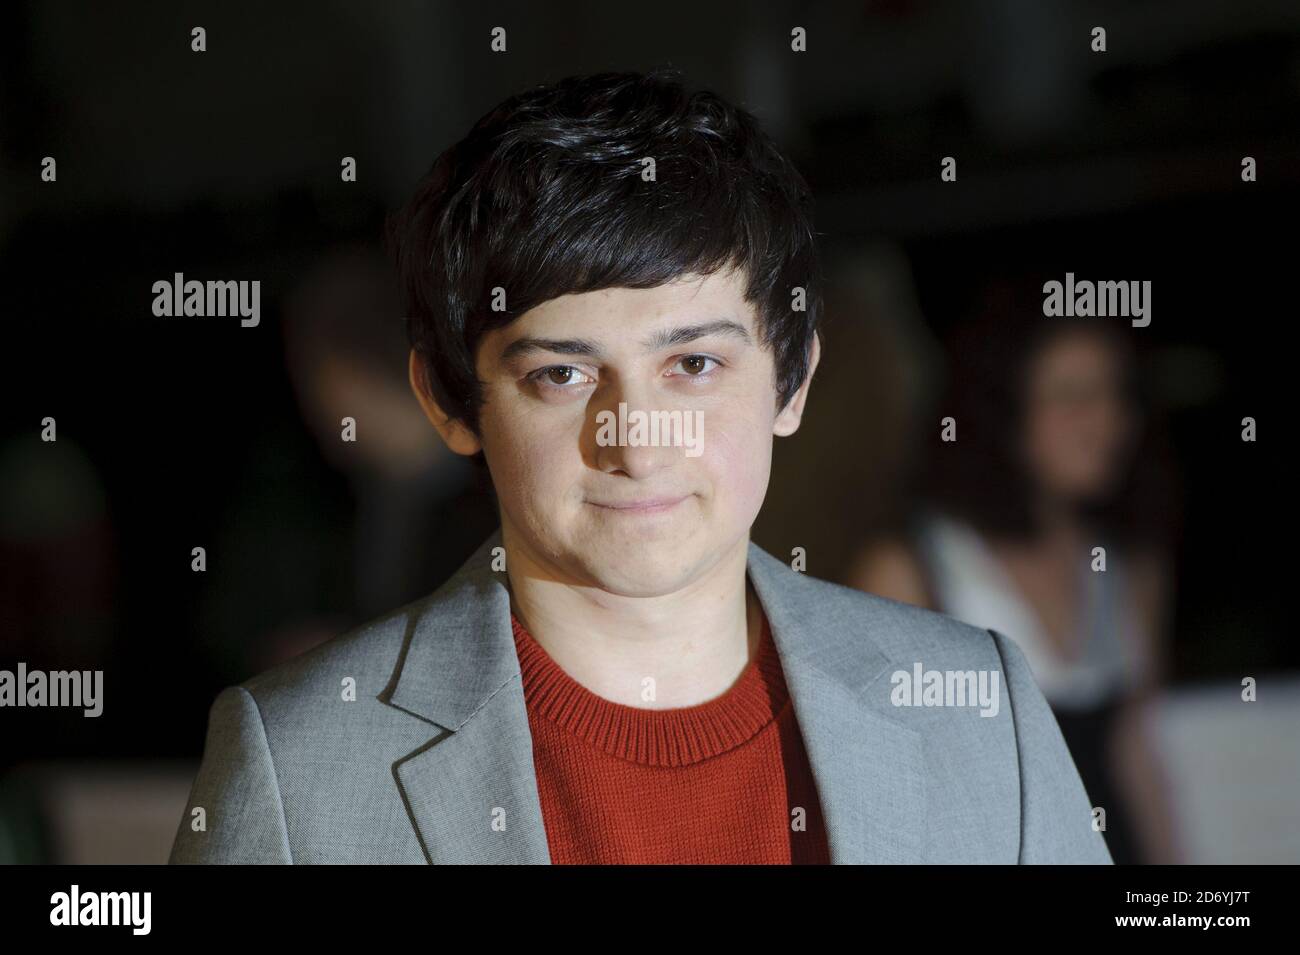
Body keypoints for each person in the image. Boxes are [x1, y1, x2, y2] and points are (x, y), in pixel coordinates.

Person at [169, 70, 1110, 864]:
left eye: (693, 364)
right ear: (453, 401)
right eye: (563, 374)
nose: (635, 437)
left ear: (792, 381)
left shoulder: (977, 705)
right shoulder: (298, 765)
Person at [849, 291, 1182, 864]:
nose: (1107, 420)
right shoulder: (911, 569)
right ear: (1002, 412)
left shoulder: (1130, 567)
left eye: (1116, 394)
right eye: (1075, 396)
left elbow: (1137, 753)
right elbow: (877, 785)